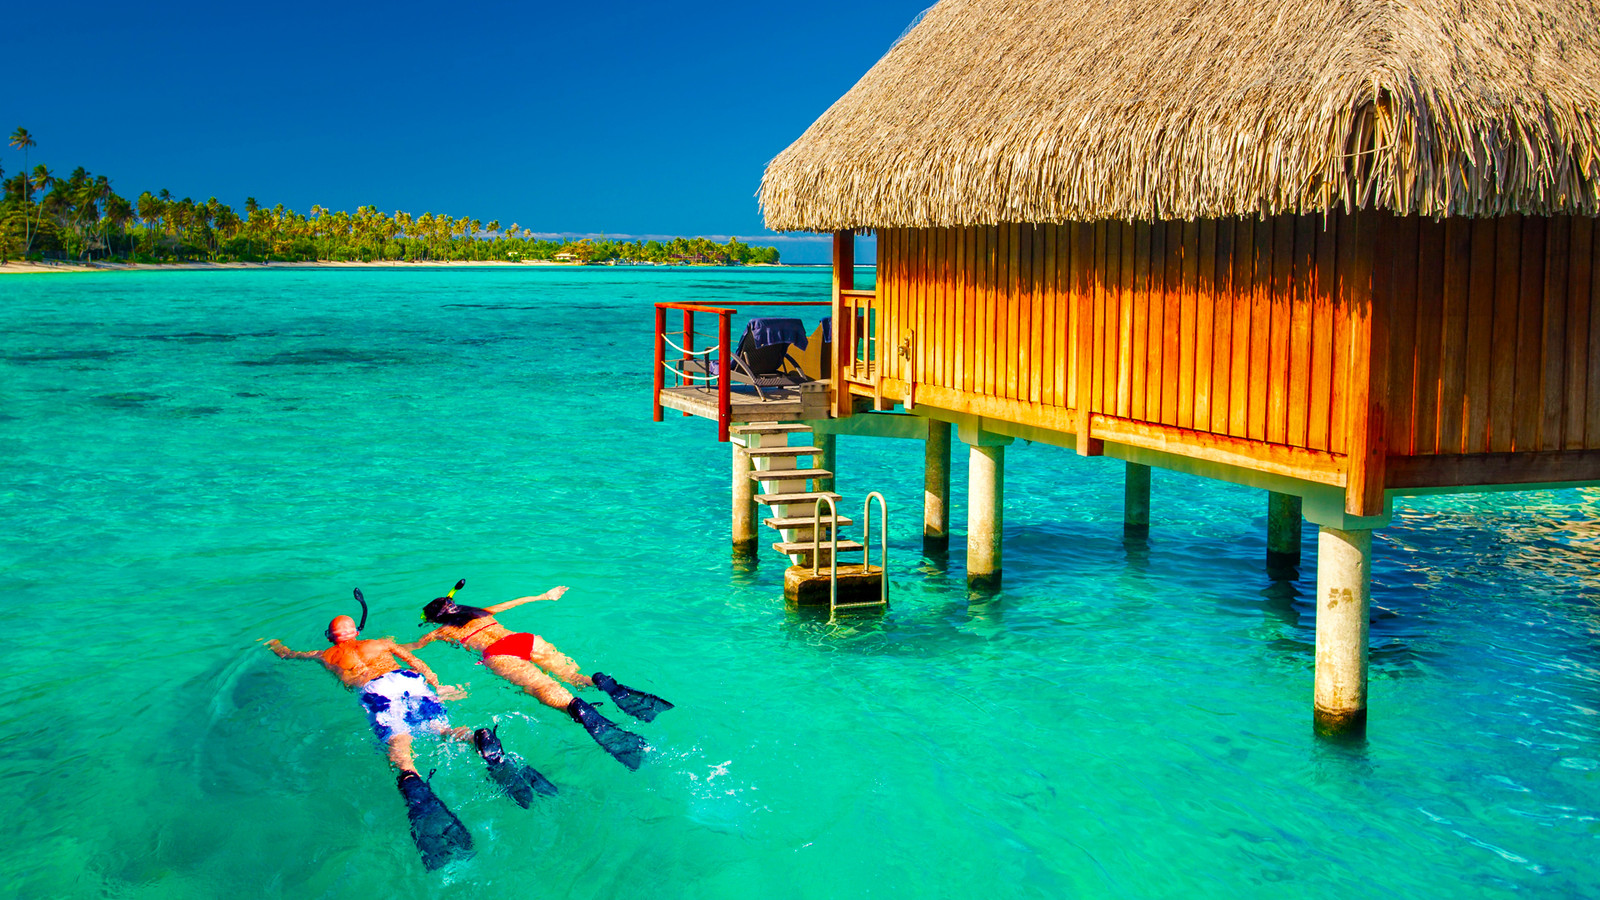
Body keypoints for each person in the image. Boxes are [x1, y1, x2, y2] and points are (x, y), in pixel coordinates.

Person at [266, 605, 555, 869]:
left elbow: (287, 653)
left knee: (398, 741)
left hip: (376, 692)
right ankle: (474, 739)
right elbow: (415, 661)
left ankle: (412, 779)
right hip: (408, 681)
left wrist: (273, 643)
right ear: (356, 631)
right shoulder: (381, 643)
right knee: (442, 729)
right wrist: (438, 685)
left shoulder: (323, 654)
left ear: (331, 637)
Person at [410, 581, 673, 770]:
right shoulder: (481, 612)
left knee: (543, 688)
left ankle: (576, 707)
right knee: (573, 676)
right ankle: (599, 682)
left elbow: (412, 648)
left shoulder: (440, 632)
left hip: (498, 654)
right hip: (524, 639)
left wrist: (393, 644)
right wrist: (546, 595)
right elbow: (516, 602)